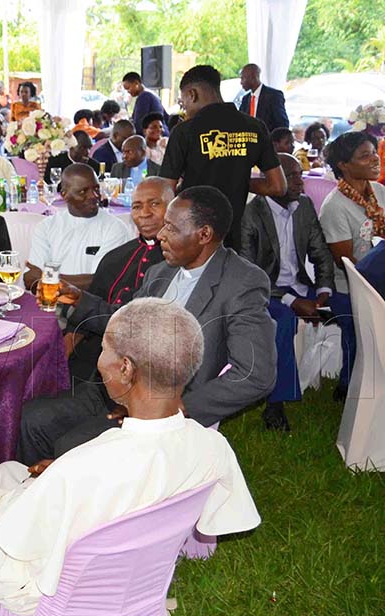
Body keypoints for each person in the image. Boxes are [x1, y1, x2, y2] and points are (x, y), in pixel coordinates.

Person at [0, 296, 261, 616]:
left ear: (126, 369)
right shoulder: (212, 447)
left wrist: (53, 479)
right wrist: (52, 478)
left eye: (104, 350)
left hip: (44, 590)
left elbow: (14, 540)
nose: (100, 361)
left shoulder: (85, 466)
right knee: (8, 472)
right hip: (131, 579)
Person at [17, 186, 277, 464]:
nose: (161, 235)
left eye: (172, 228)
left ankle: (78, 498)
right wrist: (79, 299)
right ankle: (40, 497)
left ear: (204, 235)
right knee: (31, 419)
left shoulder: (241, 283)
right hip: (116, 389)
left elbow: (254, 373)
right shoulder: (162, 271)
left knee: (71, 447)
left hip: (163, 413)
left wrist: (173, 406)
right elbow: (128, 321)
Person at [241, 153, 354, 427]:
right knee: (285, 321)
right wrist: (292, 301)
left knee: (352, 310)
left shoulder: (303, 206)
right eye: (291, 177)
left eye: (299, 176)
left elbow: (321, 253)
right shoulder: (250, 214)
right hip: (265, 291)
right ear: (271, 180)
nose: (300, 183)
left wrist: (325, 288)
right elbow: (249, 273)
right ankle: (275, 404)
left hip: (303, 286)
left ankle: (347, 382)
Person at [158, 64, 286, 252]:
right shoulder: (255, 127)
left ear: (192, 94)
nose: (183, 108)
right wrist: (240, 180)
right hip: (233, 233)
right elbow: (278, 186)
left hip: (192, 233)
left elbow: (165, 192)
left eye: (182, 101)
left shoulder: (184, 131)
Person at [66, 178, 171, 382]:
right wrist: (67, 348)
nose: (145, 213)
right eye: (137, 206)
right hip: (94, 355)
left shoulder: (179, 262)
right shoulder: (116, 257)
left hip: (145, 367)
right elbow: (86, 311)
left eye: (154, 204)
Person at [23, 164, 135, 290]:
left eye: (96, 189)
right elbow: (30, 279)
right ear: (64, 195)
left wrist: (46, 278)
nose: (94, 196)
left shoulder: (114, 228)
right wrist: (43, 278)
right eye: (83, 191)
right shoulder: (46, 227)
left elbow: (100, 282)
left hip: (93, 307)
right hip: (51, 302)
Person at [320, 131, 385, 292]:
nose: (375, 158)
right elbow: (346, 263)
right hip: (355, 289)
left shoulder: (379, 190)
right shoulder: (334, 206)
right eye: (365, 155)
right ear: (343, 164)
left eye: (374, 153)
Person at [238, 63, 289, 131]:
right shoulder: (245, 99)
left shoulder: (273, 96)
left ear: (253, 77)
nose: (241, 82)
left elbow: (283, 124)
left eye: (243, 78)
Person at [122, 72, 168, 136]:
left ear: (136, 83)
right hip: (162, 133)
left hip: (154, 136)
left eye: (128, 88)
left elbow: (138, 125)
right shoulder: (152, 94)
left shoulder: (144, 97)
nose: (128, 91)